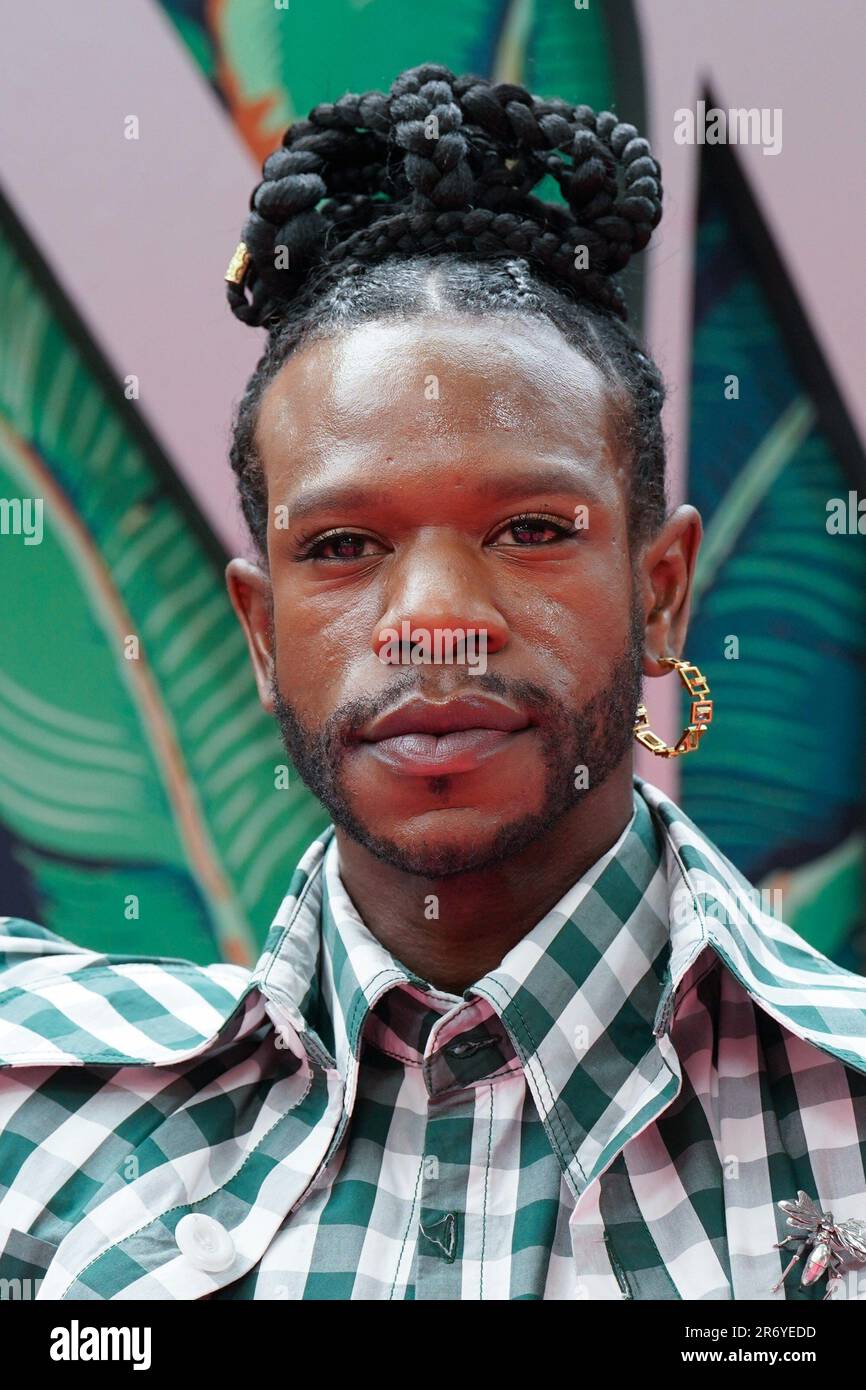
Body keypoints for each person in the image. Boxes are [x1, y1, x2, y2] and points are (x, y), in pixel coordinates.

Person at [2, 63, 866, 1303]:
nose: (436, 624)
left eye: (528, 530)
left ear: (660, 589)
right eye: (344, 548)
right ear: (260, 631)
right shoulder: (37, 1128)